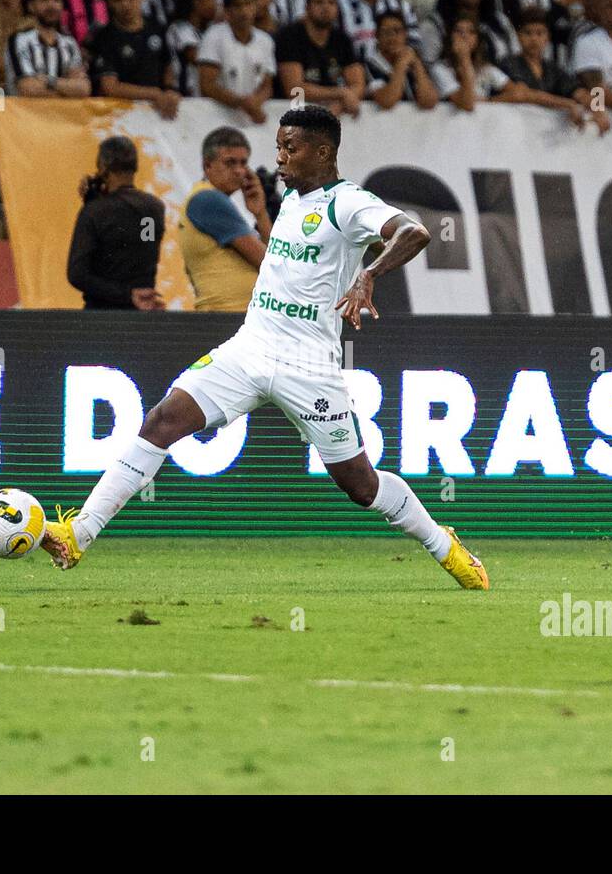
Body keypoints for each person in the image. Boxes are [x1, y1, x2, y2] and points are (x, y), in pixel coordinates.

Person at [39, 104, 491, 593]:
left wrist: (369, 273)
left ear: (323, 151)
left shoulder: (350, 203)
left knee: (360, 485)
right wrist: (260, 215)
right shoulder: (292, 202)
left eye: (289, 148)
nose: (279, 158)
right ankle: (79, 533)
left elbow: (415, 231)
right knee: (162, 420)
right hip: (250, 347)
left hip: (310, 366)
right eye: (278, 147)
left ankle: (443, 545)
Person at [67, 135, 167, 310]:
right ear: (134, 167)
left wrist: (92, 204)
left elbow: (77, 274)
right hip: (144, 309)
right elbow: (144, 245)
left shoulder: (95, 212)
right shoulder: (154, 209)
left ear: (103, 168)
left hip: (102, 313)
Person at [178, 125, 271, 311]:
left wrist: (260, 213)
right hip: (229, 316)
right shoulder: (208, 199)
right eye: (230, 163)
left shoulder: (205, 198)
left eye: (243, 163)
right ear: (207, 166)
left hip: (232, 316)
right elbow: (270, 263)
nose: (239, 171)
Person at [88, 0, 178, 118]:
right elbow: (110, 87)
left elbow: (167, 64)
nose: (125, 5)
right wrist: (154, 94)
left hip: (157, 112)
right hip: (119, 115)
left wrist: (169, 89)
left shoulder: (158, 27)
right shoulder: (104, 37)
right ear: (109, 1)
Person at [509, 8, 609, 132]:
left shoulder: (552, 68)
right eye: (528, 33)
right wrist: (567, 104)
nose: (534, 39)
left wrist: (598, 109)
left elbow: (579, 92)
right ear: (518, 36)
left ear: (547, 37)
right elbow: (526, 94)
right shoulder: (509, 63)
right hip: (516, 130)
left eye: (540, 33)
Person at [275, 0, 364, 115]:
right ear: (307, 7)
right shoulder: (290, 36)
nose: (326, 7)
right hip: (294, 115)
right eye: (319, 2)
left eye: (331, 2)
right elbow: (294, 89)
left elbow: (358, 84)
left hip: (334, 111)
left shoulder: (342, 39)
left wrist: (341, 103)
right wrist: (340, 94)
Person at [197, 0, 275, 122]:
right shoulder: (213, 36)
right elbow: (207, 85)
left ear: (255, 7)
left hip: (251, 114)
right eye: (238, 5)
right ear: (227, 11)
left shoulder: (265, 40)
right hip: (215, 114)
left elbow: (267, 85)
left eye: (248, 4)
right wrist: (242, 103)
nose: (244, 11)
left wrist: (256, 102)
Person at [5, 0, 89, 96]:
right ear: (31, 6)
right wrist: (67, 89)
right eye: (44, 0)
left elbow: (83, 89)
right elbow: (27, 88)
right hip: (24, 114)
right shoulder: (18, 40)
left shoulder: (70, 43)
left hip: (63, 114)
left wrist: (47, 80)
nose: (51, 6)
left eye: (57, 0)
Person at [363, 8, 438, 110]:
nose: (392, 37)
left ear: (405, 34)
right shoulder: (369, 65)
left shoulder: (413, 62)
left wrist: (417, 65)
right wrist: (401, 64)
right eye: (386, 32)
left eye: (397, 31)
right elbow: (386, 101)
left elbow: (429, 102)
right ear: (377, 36)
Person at [165, 0, 217, 97]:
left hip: (203, 99)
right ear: (196, 2)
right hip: (184, 99)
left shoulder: (207, 31)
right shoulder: (179, 28)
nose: (215, 4)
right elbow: (197, 57)